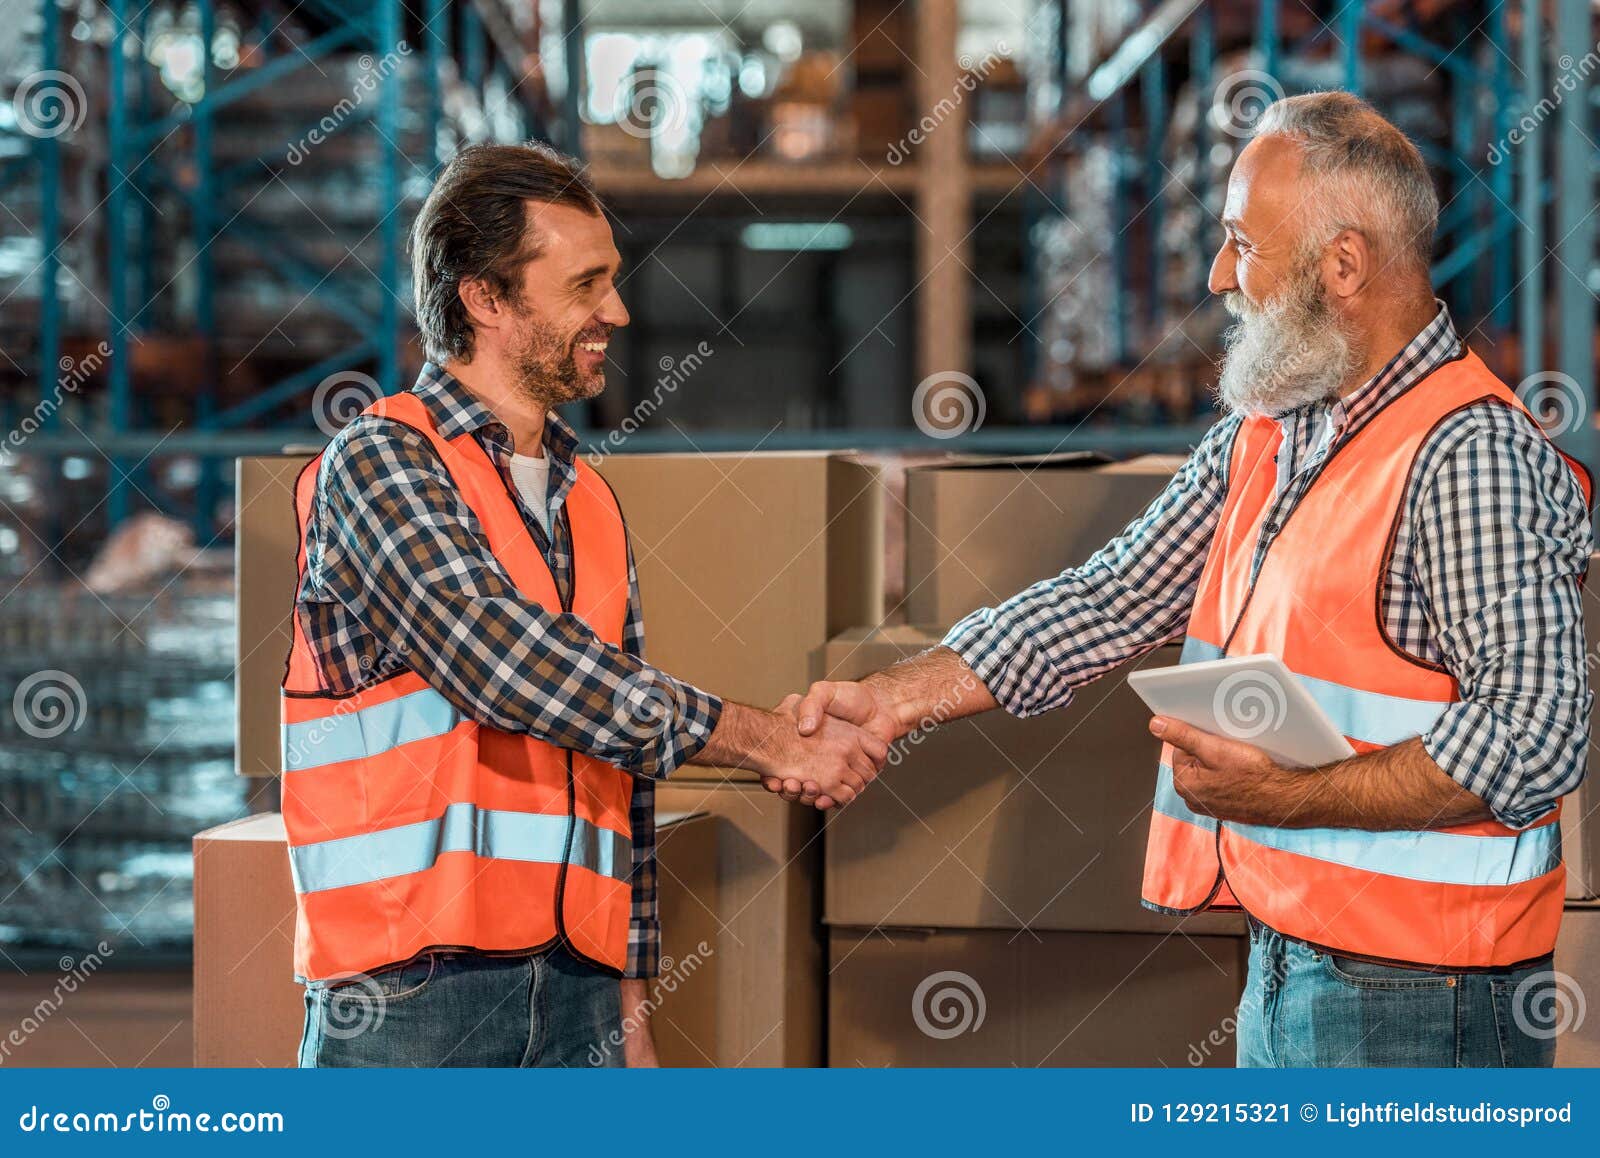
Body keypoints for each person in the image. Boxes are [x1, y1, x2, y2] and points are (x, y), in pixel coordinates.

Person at [784, 92, 1593, 1068]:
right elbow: (1110, 597)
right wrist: (892, 700)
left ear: (1343, 266)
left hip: (1427, 999)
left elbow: (1535, 736)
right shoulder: (1277, 430)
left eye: (1242, 245)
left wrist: (1287, 796)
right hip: (1290, 957)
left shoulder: (1469, 454)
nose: (1217, 276)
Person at [281, 142, 885, 1068]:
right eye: (585, 285)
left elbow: (617, 759)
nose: (618, 311)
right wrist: (768, 740)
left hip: (577, 994)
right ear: (486, 298)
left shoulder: (587, 499)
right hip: (412, 998)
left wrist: (629, 1006)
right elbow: (504, 663)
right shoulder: (382, 460)